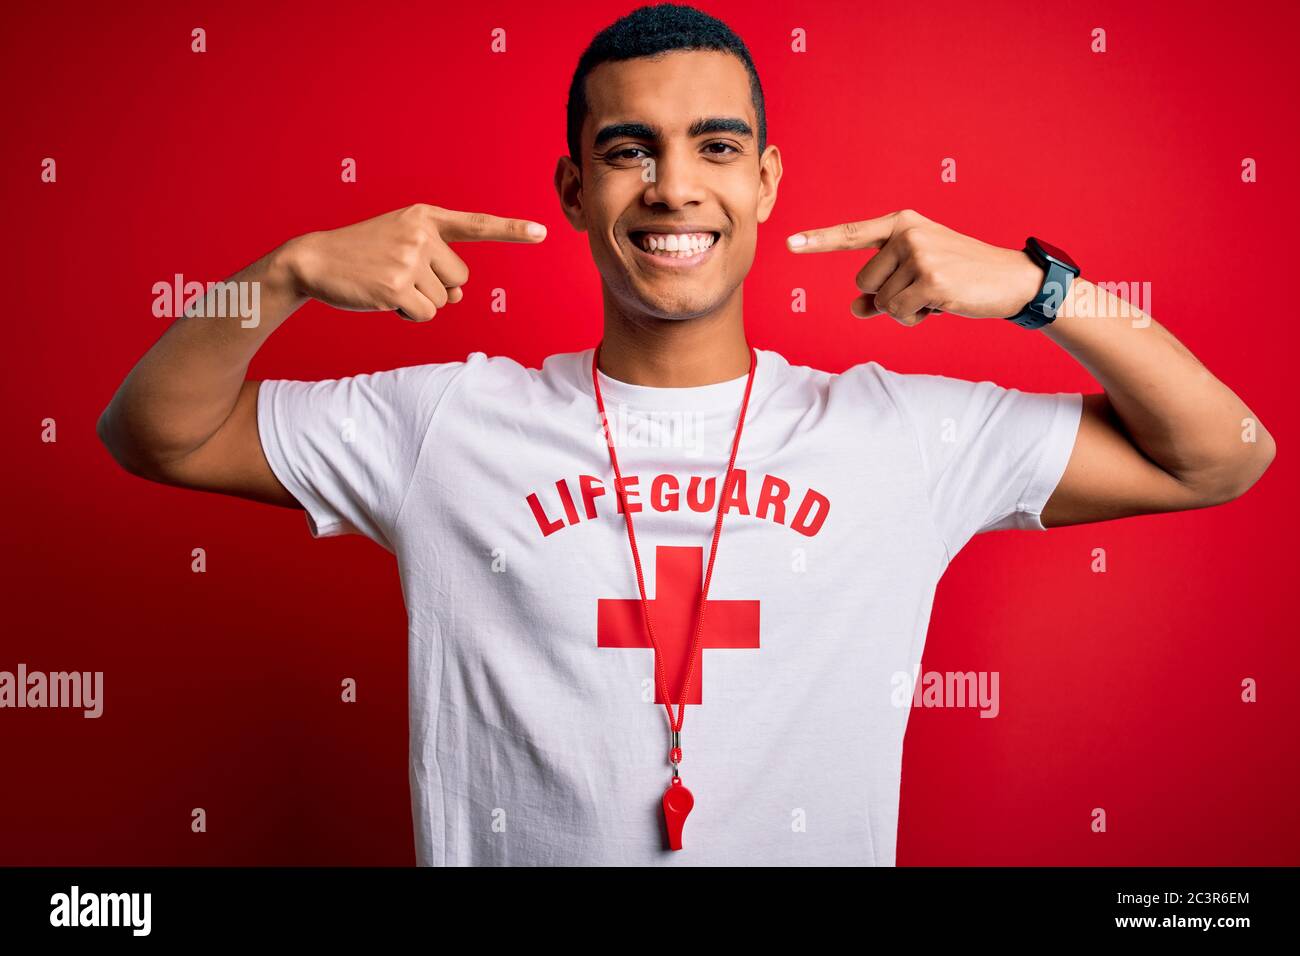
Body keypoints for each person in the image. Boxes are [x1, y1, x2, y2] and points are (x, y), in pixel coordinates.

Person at [97, 3, 1275, 866]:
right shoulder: (447, 421)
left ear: (764, 181)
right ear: (572, 190)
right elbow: (153, 434)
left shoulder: (893, 433)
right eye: (628, 150)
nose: (673, 187)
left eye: (714, 147)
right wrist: (285, 272)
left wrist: (1035, 287)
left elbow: (1222, 450)